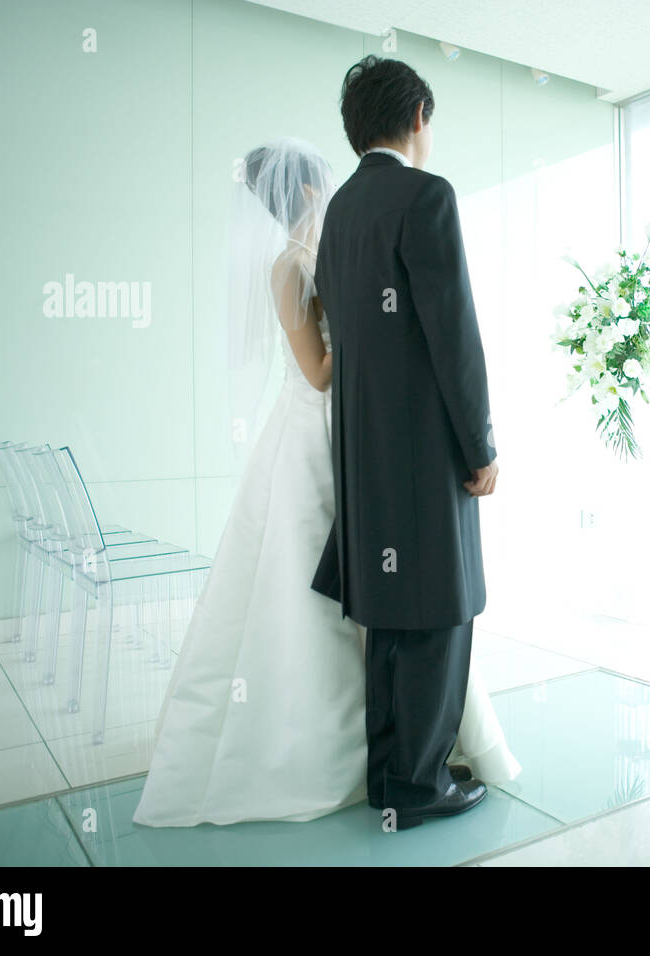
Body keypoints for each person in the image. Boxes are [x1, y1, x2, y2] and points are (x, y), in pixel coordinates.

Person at [132, 136, 517, 828]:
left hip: (357, 431)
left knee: (385, 590)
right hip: (313, 436)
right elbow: (315, 371)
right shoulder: (290, 266)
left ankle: (404, 755)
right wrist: (366, 342)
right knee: (318, 595)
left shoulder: (340, 245)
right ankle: (337, 754)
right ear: (309, 193)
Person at [311, 56, 500, 830]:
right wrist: (480, 444)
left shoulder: (340, 213)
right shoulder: (427, 196)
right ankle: (420, 789)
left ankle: (394, 774)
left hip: (362, 452)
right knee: (440, 613)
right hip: (426, 450)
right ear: (418, 114)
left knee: (389, 619)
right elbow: (454, 334)